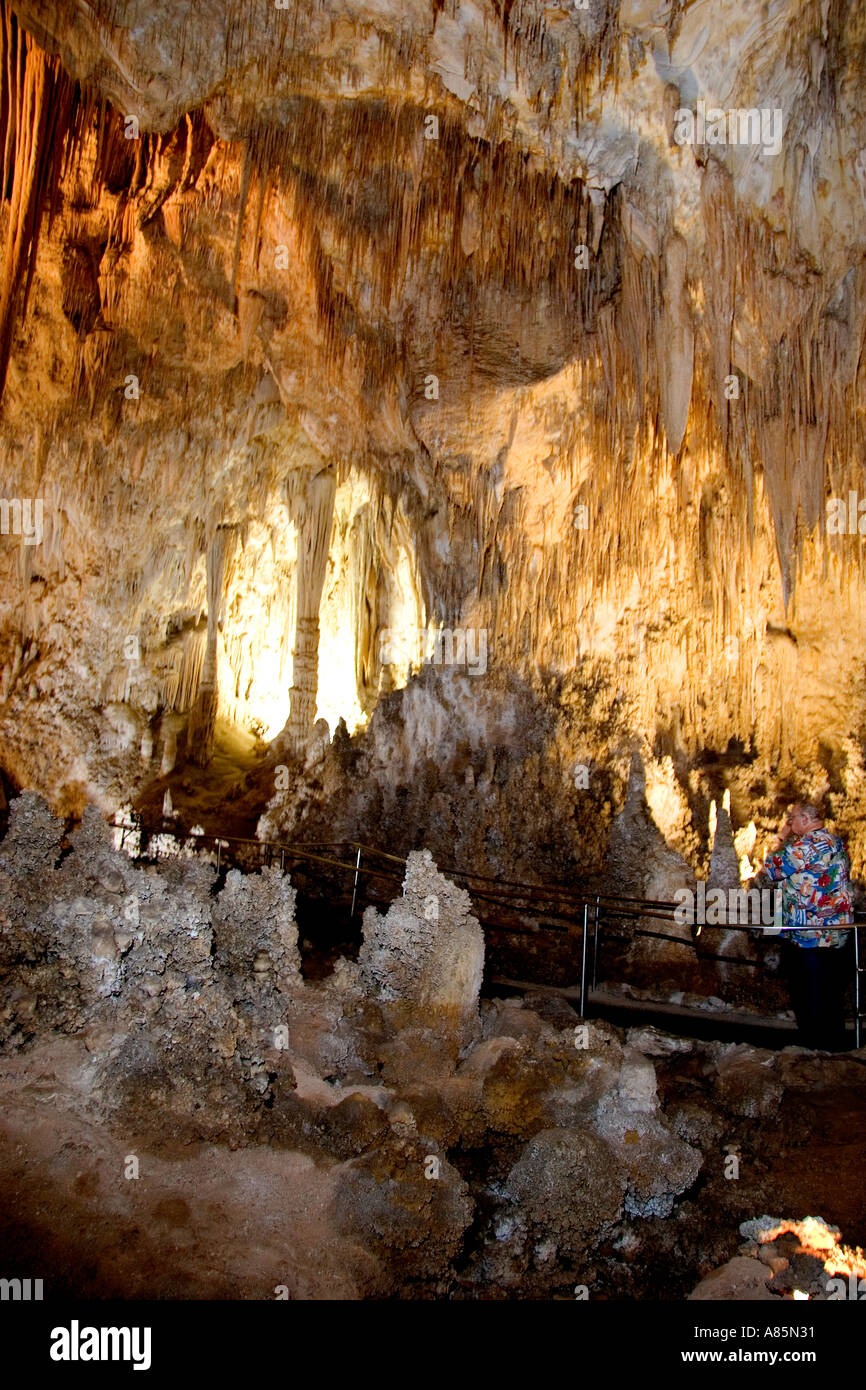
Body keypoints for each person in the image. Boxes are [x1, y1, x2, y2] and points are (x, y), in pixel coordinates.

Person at [756, 802, 853, 1050]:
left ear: (806, 819)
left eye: (792, 818)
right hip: (835, 933)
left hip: (809, 933)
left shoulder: (806, 846)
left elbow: (772, 869)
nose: (790, 822)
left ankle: (815, 1050)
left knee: (808, 996)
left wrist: (781, 837)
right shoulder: (835, 842)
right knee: (830, 995)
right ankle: (835, 1048)